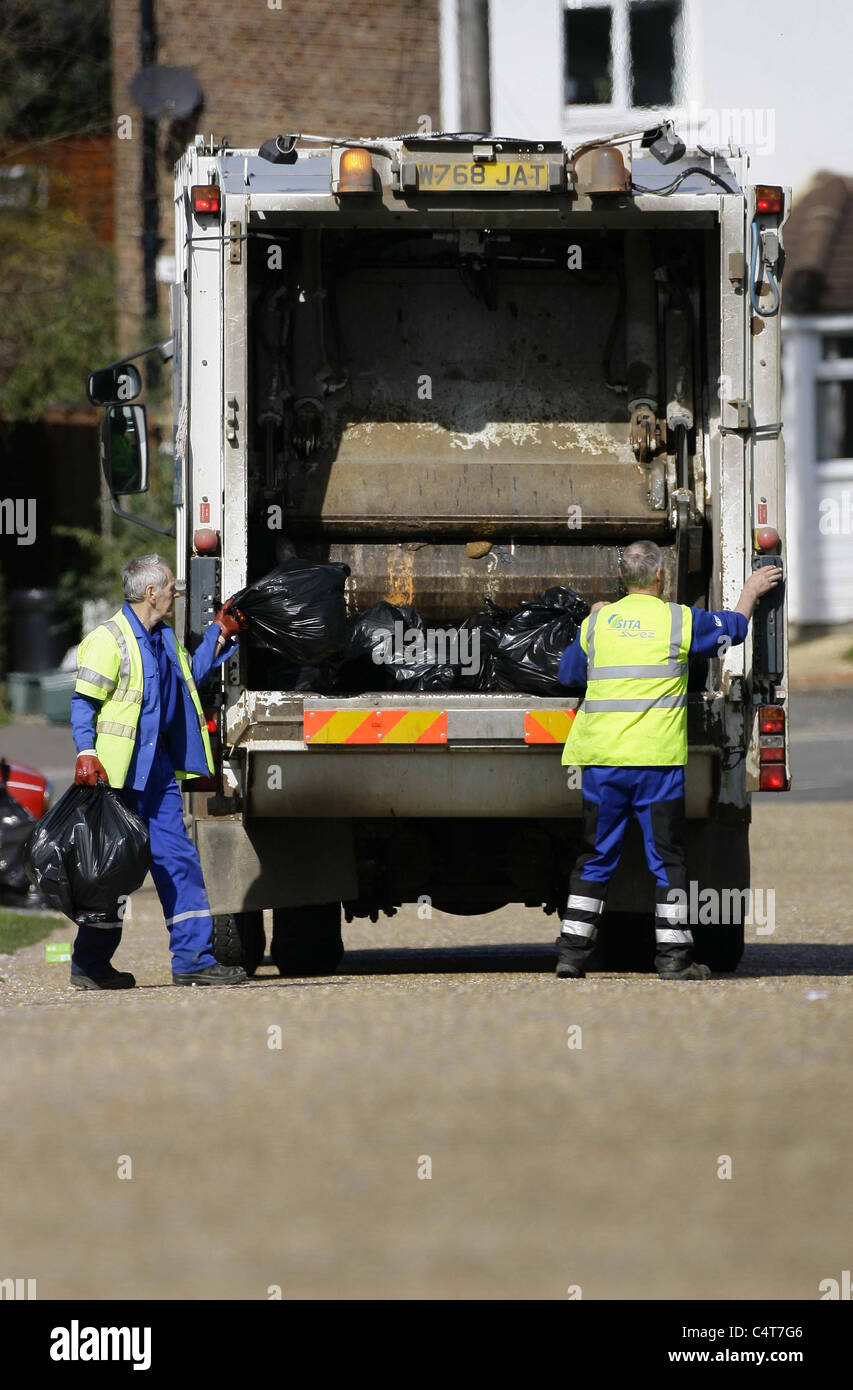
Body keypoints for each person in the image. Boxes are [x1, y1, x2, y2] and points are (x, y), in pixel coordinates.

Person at [555, 539, 783, 981]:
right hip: (657, 765)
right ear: (660, 577)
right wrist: (752, 589)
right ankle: (674, 960)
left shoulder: (599, 623)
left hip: (603, 763)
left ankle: (571, 955)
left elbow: (567, 675)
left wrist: (592, 621)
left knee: (596, 857)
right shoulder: (678, 620)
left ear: (623, 578)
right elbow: (734, 628)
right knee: (666, 859)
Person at [70, 554, 249, 989]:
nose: (176, 592)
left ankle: (193, 959)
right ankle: (90, 965)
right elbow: (82, 703)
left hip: (158, 777)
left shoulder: (164, 639)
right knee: (111, 872)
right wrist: (87, 752)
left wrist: (219, 635)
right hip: (115, 780)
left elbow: (192, 675)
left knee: (178, 861)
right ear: (151, 592)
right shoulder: (107, 639)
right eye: (172, 586)